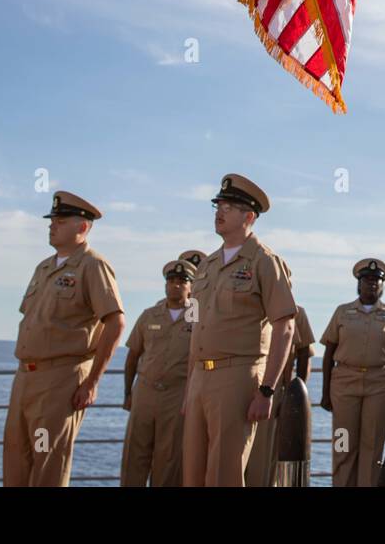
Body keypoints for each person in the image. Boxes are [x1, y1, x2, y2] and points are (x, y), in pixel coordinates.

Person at [182, 174, 296, 487]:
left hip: (237, 376)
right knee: (192, 473)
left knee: (224, 474)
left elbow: (285, 326)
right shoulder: (207, 265)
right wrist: (191, 386)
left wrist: (267, 390)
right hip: (200, 379)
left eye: (229, 207)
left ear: (248, 217)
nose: (219, 212)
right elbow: (197, 329)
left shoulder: (265, 262)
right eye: (218, 205)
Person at [4, 191, 124, 487]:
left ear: (82, 227)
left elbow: (115, 322)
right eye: (52, 220)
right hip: (26, 376)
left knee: (48, 461)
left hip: (59, 380)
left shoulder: (93, 266)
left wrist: (92, 381)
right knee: (15, 456)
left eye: (60, 220)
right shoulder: (44, 267)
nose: (52, 225)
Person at [319, 259, 385, 487]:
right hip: (344, 386)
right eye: (367, 280)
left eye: (376, 281)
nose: (372, 285)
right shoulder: (342, 312)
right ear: (358, 284)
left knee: (372, 447)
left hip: (379, 386)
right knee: (343, 443)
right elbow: (328, 354)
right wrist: (325, 393)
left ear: (383, 285)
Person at [120, 252, 202, 487]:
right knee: (134, 455)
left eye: (181, 282)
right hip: (145, 392)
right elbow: (133, 356)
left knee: (169, 458)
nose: (175, 286)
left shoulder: (198, 319)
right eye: (171, 281)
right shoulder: (149, 316)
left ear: (191, 286)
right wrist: (128, 394)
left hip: (177, 395)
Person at [244, 303, 314, 488]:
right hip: (240, 387)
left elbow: (304, 352)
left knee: (263, 457)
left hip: (271, 392)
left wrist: (293, 397)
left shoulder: (295, 312)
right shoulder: (241, 308)